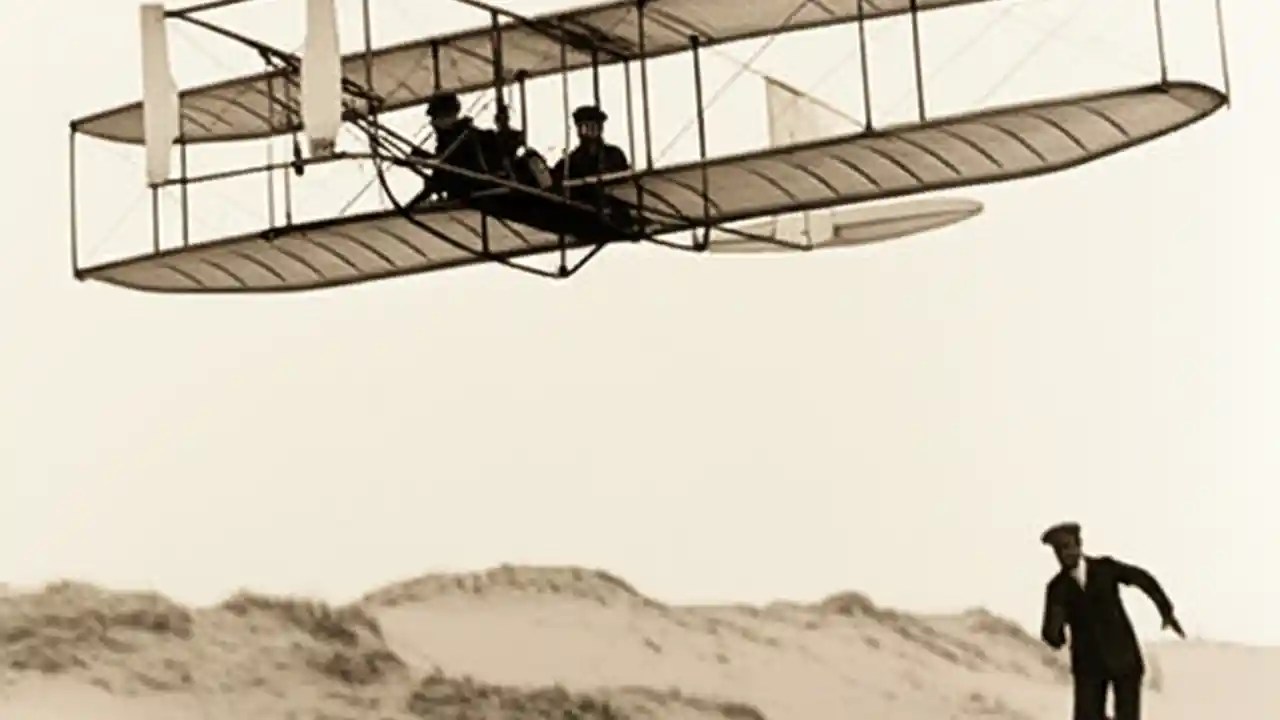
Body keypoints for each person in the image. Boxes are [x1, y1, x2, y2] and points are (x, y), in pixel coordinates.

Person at [1038, 522, 1185, 720]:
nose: (1064, 554)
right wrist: (1055, 631)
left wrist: (1166, 611)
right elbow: (1052, 635)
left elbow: (1142, 579)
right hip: (1089, 667)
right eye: (1058, 551)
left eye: (1067, 547)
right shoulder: (1057, 588)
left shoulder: (1105, 569)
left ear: (1079, 545)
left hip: (1124, 659)